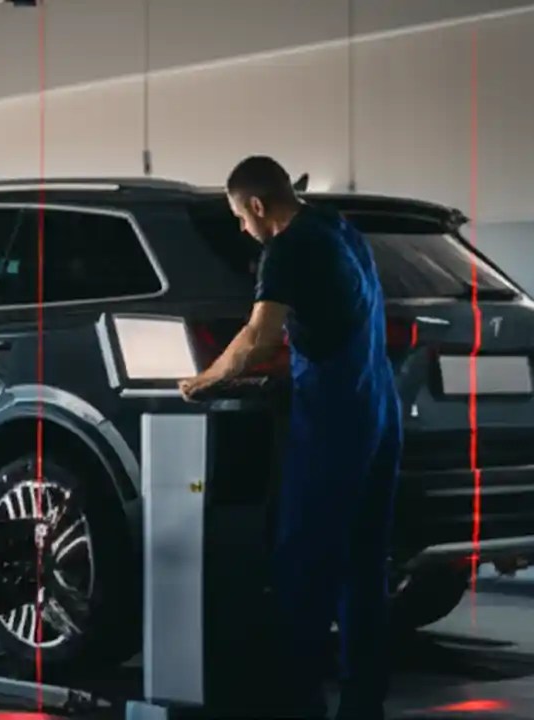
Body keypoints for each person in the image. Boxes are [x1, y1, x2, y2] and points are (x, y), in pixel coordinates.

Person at [179, 156, 403, 720]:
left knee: (305, 563)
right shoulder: (337, 227)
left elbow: (256, 338)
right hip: (378, 409)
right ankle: (363, 700)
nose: (241, 228)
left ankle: (296, 702)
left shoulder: (288, 248)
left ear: (257, 205)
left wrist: (200, 382)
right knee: (364, 563)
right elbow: (338, 318)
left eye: (238, 216)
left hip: (333, 423)